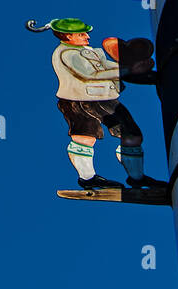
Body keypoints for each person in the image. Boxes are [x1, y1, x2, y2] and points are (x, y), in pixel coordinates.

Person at [39, 17, 159, 190]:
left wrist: (134, 70)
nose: (87, 36)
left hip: (105, 97)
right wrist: (128, 70)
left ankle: (136, 177)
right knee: (85, 136)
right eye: (81, 33)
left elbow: (107, 68)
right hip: (79, 100)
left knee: (131, 134)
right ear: (67, 36)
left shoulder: (91, 51)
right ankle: (87, 177)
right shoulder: (67, 54)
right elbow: (90, 74)